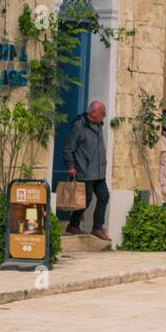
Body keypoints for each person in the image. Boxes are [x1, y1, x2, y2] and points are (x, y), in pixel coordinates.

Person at [63, 99, 110, 240]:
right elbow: (68, 148)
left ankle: (97, 228)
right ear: (93, 113)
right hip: (85, 171)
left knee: (104, 197)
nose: (105, 115)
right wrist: (70, 166)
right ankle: (73, 225)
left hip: (99, 172)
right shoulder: (79, 126)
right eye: (103, 112)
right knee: (85, 200)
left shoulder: (99, 125)